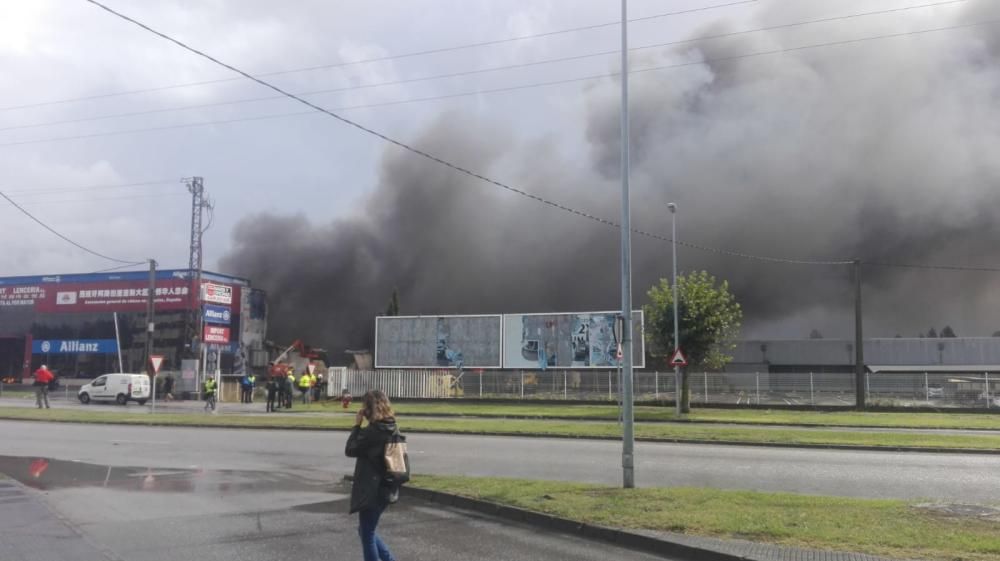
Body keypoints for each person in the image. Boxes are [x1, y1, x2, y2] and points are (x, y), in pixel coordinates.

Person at [345, 390, 399, 561]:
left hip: (371, 488)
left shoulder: (372, 432)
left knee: (367, 533)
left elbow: (350, 449)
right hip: (386, 486)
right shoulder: (392, 427)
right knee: (366, 530)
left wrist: (356, 425)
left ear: (368, 409)